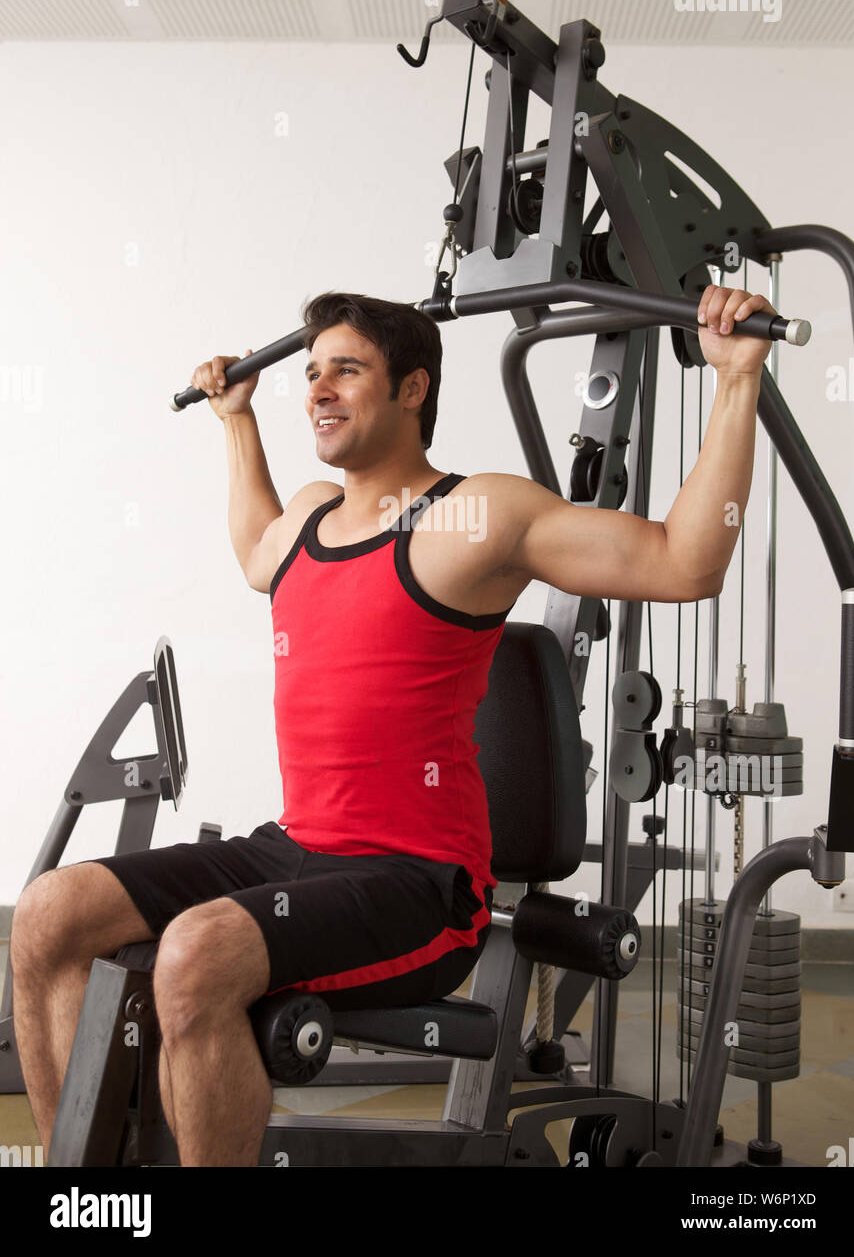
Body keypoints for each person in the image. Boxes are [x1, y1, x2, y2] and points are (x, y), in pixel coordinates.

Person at [10, 281, 775, 1166]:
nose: (319, 391)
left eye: (347, 371)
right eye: (310, 375)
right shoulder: (305, 517)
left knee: (194, 953)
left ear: (413, 389)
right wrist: (236, 422)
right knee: (46, 916)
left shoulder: (472, 518)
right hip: (294, 846)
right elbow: (257, 550)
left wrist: (735, 380)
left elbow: (685, 562)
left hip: (419, 884)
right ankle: (88, 1191)